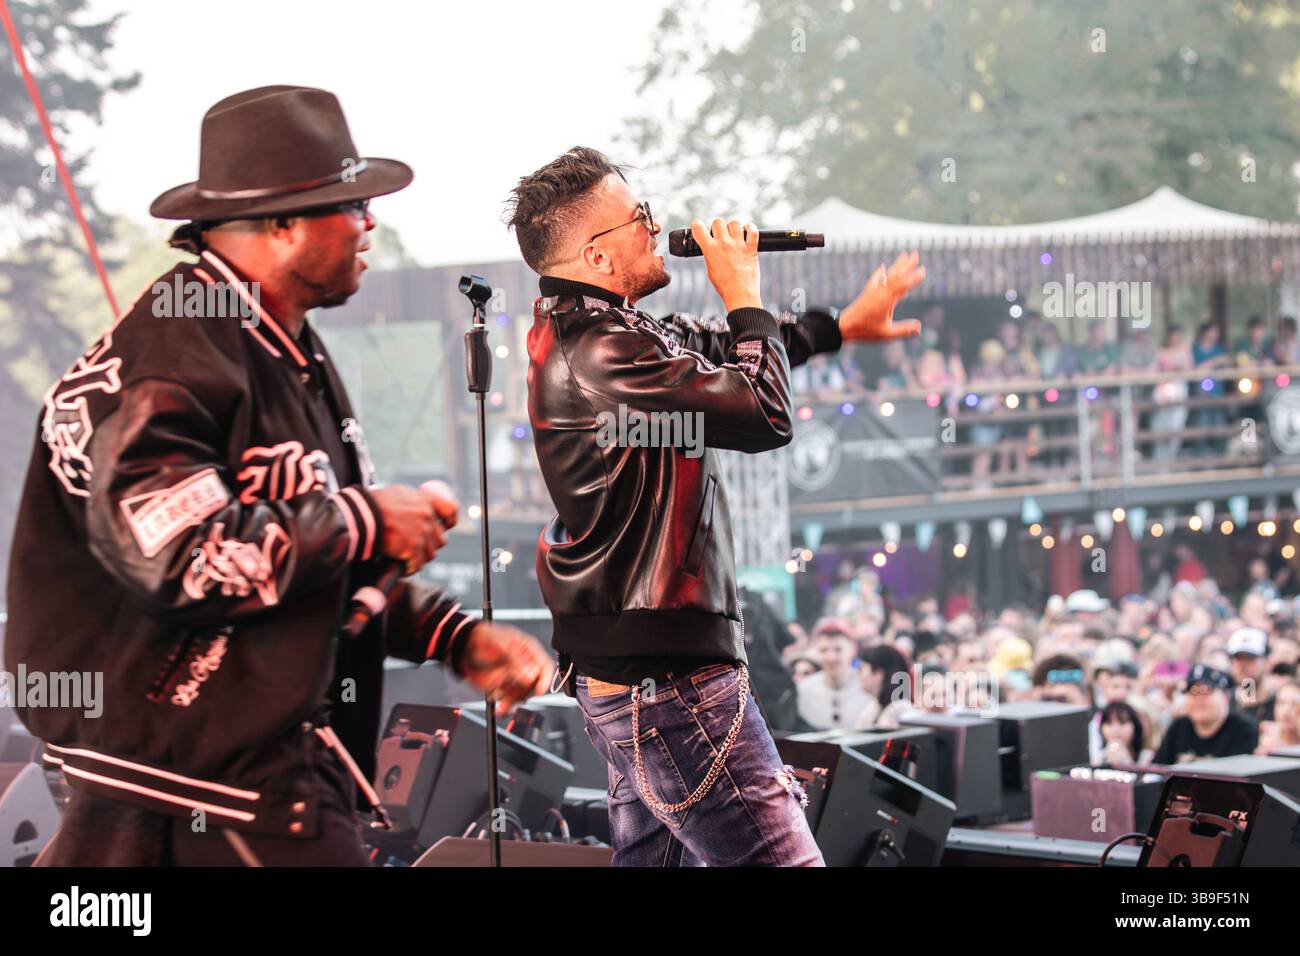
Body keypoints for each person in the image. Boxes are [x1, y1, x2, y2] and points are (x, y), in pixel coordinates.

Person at [6, 87, 553, 867]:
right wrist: (365, 518)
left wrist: (447, 633)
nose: (370, 224)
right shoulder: (170, 358)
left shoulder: (270, 343)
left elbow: (300, 560)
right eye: (351, 206)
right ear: (282, 223)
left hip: (235, 765)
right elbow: (189, 556)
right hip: (187, 781)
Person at [507, 146, 924, 866]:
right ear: (599, 257)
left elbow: (721, 357)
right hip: (669, 682)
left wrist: (840, 326)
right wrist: (743, 290)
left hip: (641, 674)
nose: (657, 224)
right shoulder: (601, 350)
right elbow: (762, 411)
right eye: (640, 217)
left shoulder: (606, 331)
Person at [1152, 664, 1259, 765]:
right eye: (1193, 691)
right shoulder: (1179, 727)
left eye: (1206, 691)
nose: (1199, 699)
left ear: (1225, 696)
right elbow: (1158, 769)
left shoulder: (1243, 730)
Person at [797, 621, 880, 731]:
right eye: (824, 650)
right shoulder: (803, 690)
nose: (831, 657)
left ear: (852, 650)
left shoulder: (869, 687)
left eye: (838, 649)